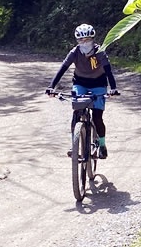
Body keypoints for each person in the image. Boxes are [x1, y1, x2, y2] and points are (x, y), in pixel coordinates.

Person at [46, 23, 120, 158]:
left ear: (93, 39)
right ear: (77, 41)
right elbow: (63, 68)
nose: (84, 43)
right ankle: (74, 144)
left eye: (87, 40)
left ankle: (102, 145)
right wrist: (52, 87)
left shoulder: (100, 52)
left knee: (97, 117)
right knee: (77, 111)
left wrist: (113, 89)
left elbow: (108, 71)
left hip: (98, 84)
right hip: (80, 83)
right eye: (81, 40)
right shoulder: (74, 53)